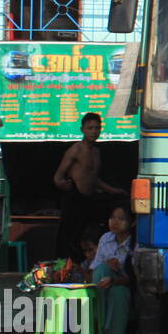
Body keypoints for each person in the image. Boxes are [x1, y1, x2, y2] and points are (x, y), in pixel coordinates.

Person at [53, 112, 126, 265]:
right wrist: (62, 184)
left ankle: (83, 268)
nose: (94, 131)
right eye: (90, 128)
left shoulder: (96, 152)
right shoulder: (76, 149)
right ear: (82, 130)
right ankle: (64, 269)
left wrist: (112, 190)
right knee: (68, 237)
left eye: (97, 128)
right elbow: (58, 176)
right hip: (73, 196)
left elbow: (93, 178)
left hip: (88, 198)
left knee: (85, 235)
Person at [91, 205, 136, 334]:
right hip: (104, 285)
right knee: (103, 268)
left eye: (121, 218)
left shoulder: (135, 243)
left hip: (125, 284)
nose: (115, 222)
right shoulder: (106, 238)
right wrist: (109, 264)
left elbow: (135, 279)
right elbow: (95, 269)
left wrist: (115, 278)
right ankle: (102, 329)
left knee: (120, 292)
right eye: (113, 217)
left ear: (133, 222)